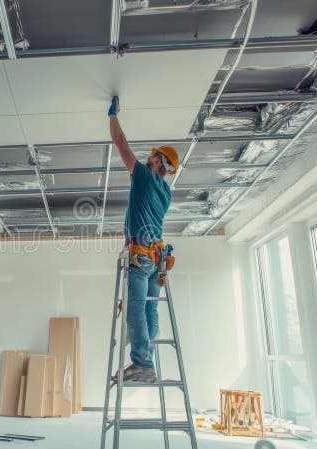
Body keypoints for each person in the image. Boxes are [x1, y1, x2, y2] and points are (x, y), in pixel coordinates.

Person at [108, 96, 179, 382]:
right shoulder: (166, 191)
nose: (147, 156)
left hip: (141, 257)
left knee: (136, 308)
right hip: (156, 260)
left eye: (153, 155)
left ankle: (141, 363)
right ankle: (146, 357)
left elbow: (121, 144)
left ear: (158, 161)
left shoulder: (144, 177)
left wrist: (112, 117)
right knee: (149, 309)